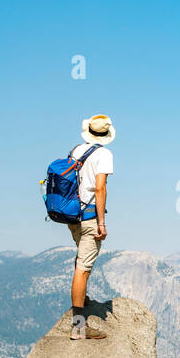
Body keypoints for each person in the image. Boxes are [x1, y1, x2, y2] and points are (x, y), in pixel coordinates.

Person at [67, 114, 115, 340]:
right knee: (83, 268)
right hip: (89, 216)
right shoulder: (104, 154)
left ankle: (82, 299)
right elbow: (100, 189)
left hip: (72, 215)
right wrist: (101, 222)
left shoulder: (77, 150)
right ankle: (78, 326)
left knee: (81, 259)